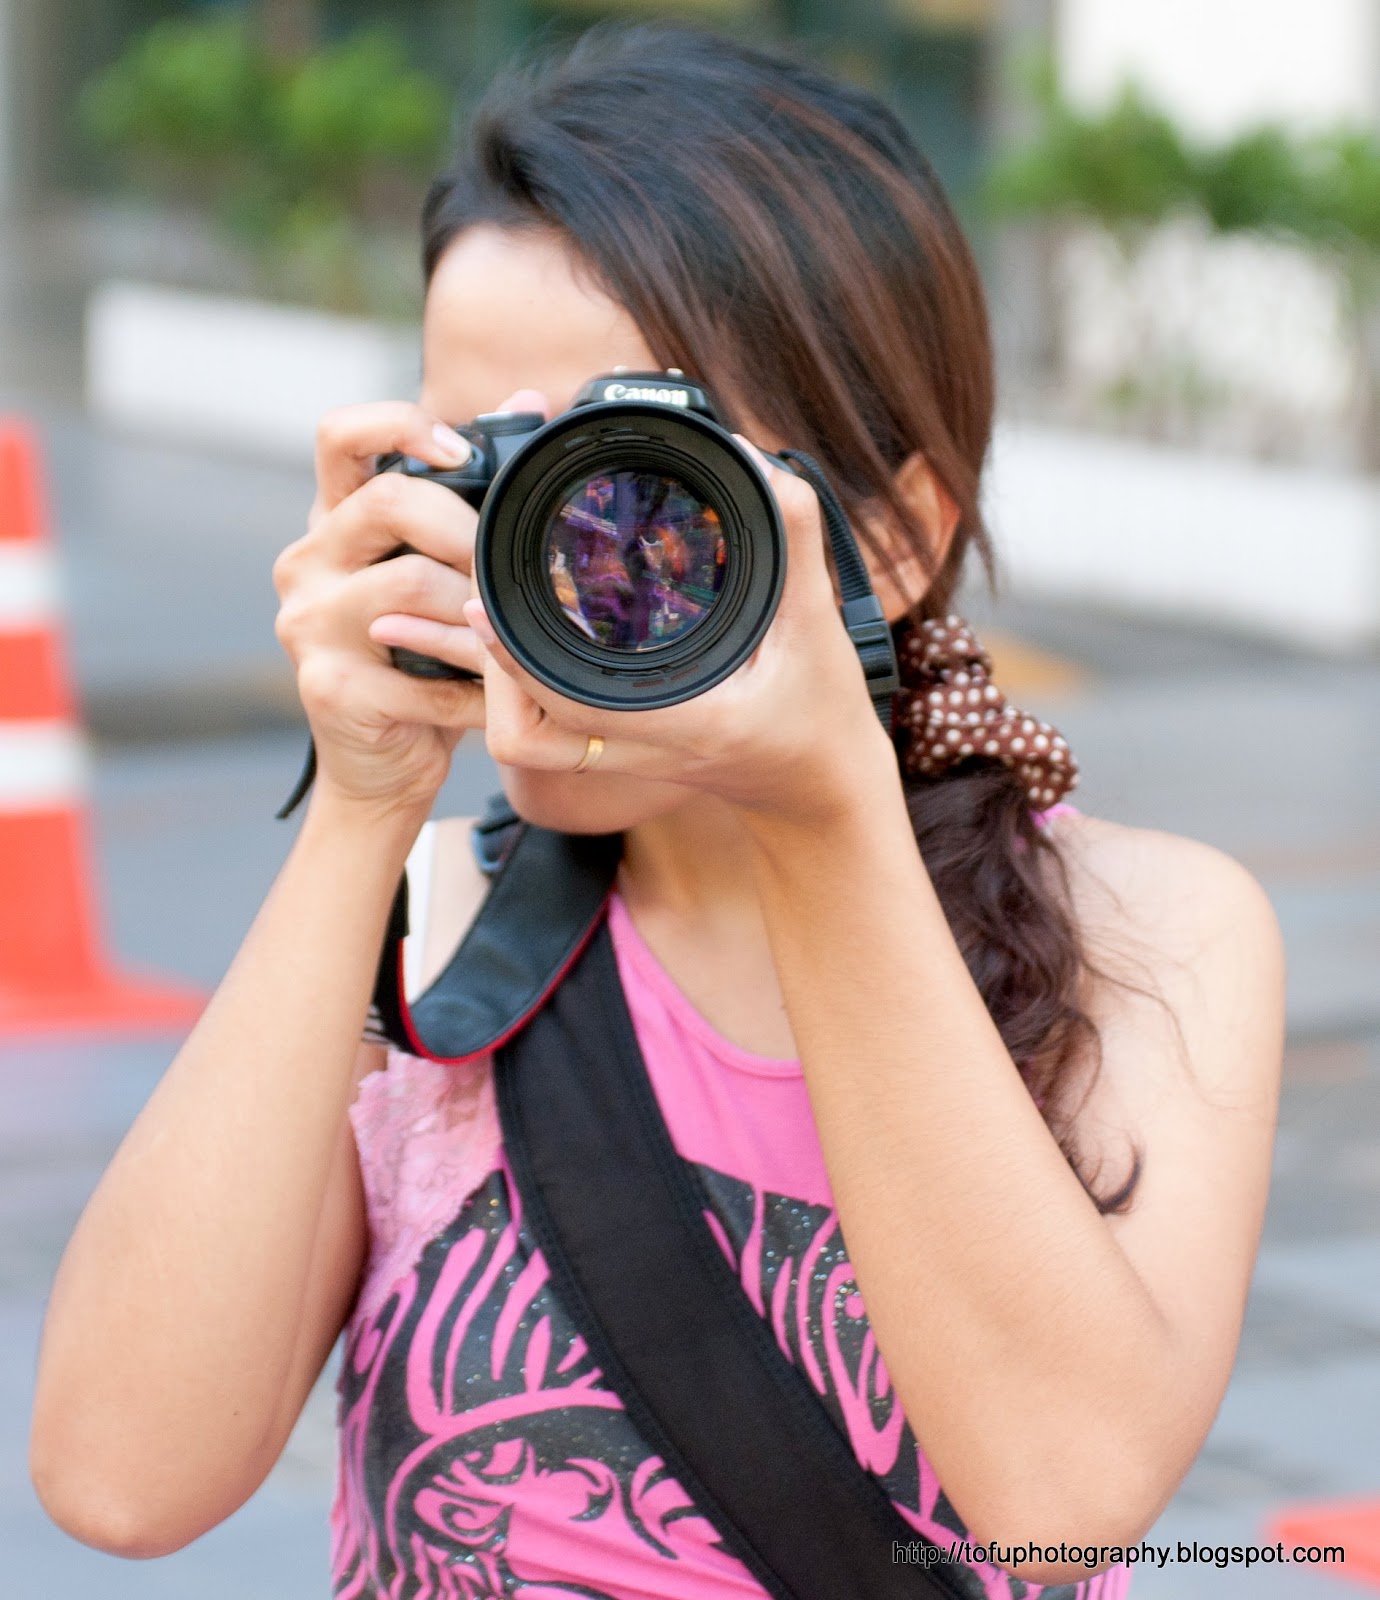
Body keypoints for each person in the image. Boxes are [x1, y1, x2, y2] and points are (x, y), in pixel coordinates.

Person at [29, 25, 1284, 1600]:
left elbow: (1061, 1491)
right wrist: (362, 806)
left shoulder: (1148, 937)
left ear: (889, 544)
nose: (556, 567)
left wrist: (823, 811)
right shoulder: (429, 931)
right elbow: (120, 1476)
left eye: (633, 491)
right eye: (494, 475)